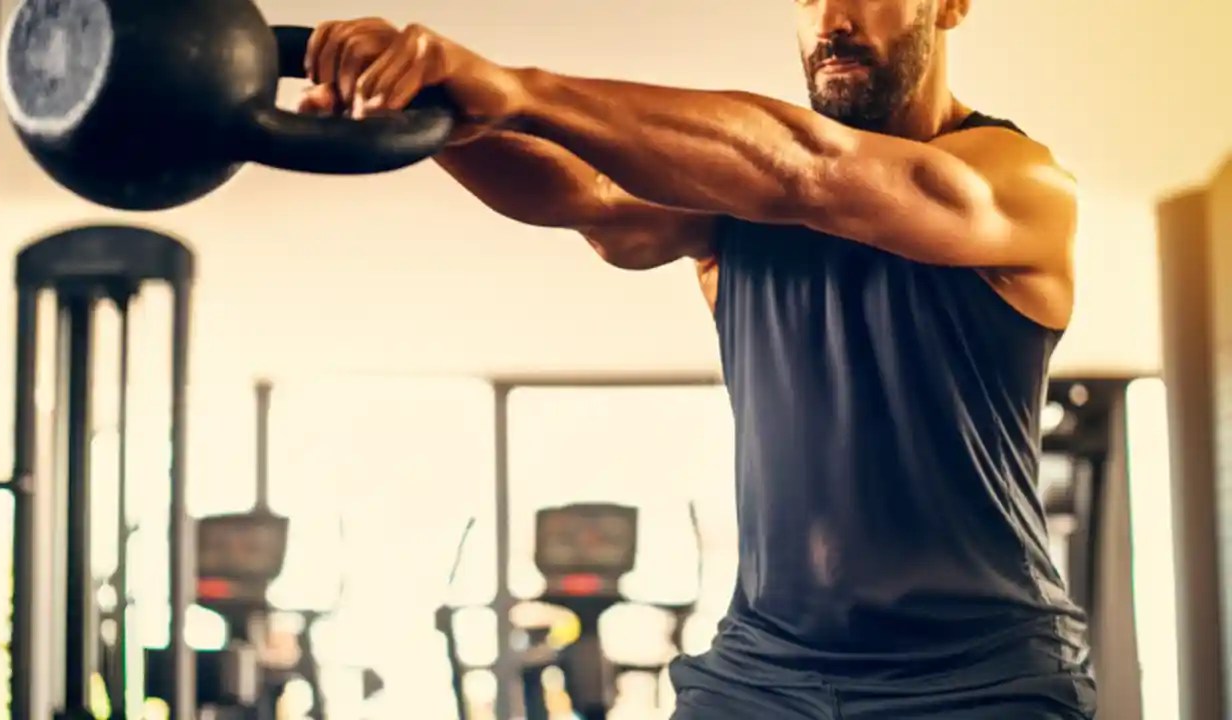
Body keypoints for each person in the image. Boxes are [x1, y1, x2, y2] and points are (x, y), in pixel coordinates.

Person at [300, 1, 1095, 717]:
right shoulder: (735, 195)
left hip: (979, 675)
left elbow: (815, 171)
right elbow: (591, 199)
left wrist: (519, 88)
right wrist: (427, 114)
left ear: (948, 5)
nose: (833, 20)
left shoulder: (1018, 181)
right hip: (764, 668)